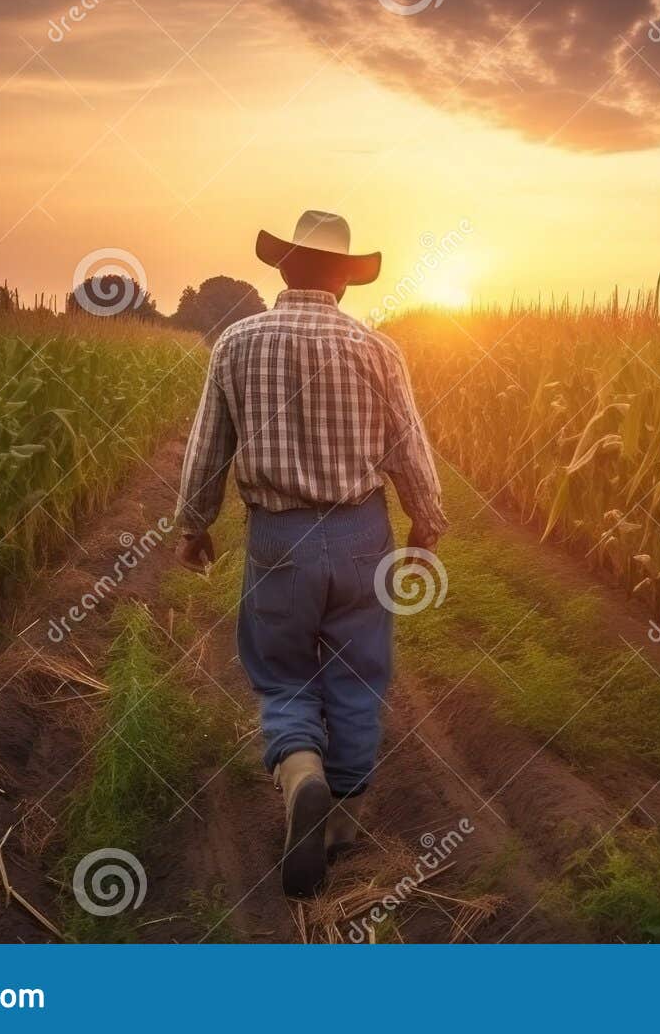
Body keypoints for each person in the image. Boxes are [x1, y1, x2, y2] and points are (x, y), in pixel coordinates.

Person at [174, 210, 447, 897]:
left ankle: (300, 775)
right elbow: (408, 448)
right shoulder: (376, 349)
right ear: (344, 281)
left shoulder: (236, 343)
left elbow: (209, 449)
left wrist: (194, 525)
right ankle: (342, 830)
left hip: (278, 537)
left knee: (284, 672)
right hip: (361, 536)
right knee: (357, 675)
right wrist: (427, 523)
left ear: (283, 268)